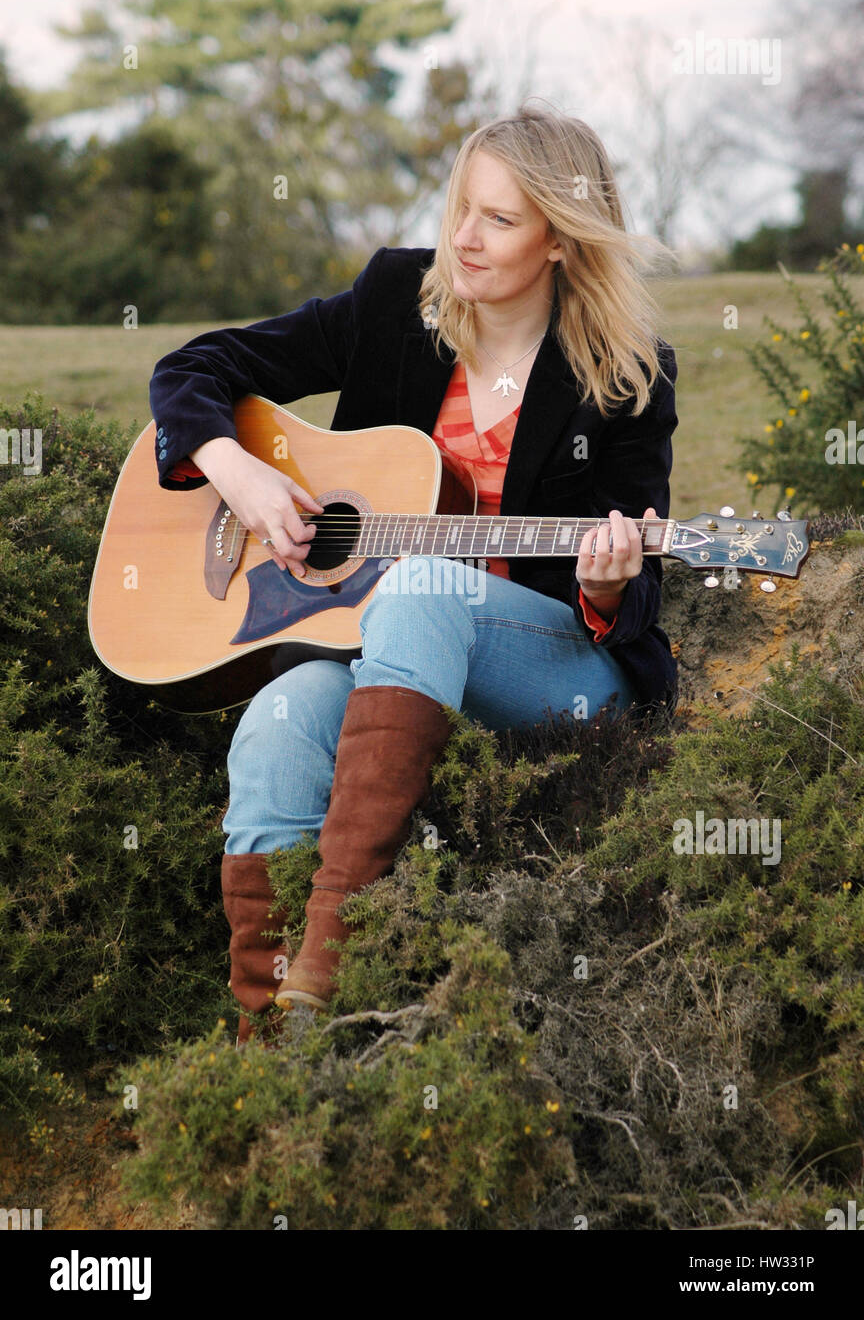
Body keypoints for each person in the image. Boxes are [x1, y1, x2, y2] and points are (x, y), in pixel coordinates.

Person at [149, 104, 678, 1042]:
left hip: (556, 674)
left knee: (425, 581)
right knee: (276, 723)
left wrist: (606, 588)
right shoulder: (400, 302)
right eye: (461, 209)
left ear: (561, 240)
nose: (464, 240)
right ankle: (273, 1039)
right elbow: (195, 367)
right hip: (387, 661)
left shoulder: (626, 377)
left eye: (501, 221)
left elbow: (638, 599)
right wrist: (236, 470)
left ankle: (330, 950)